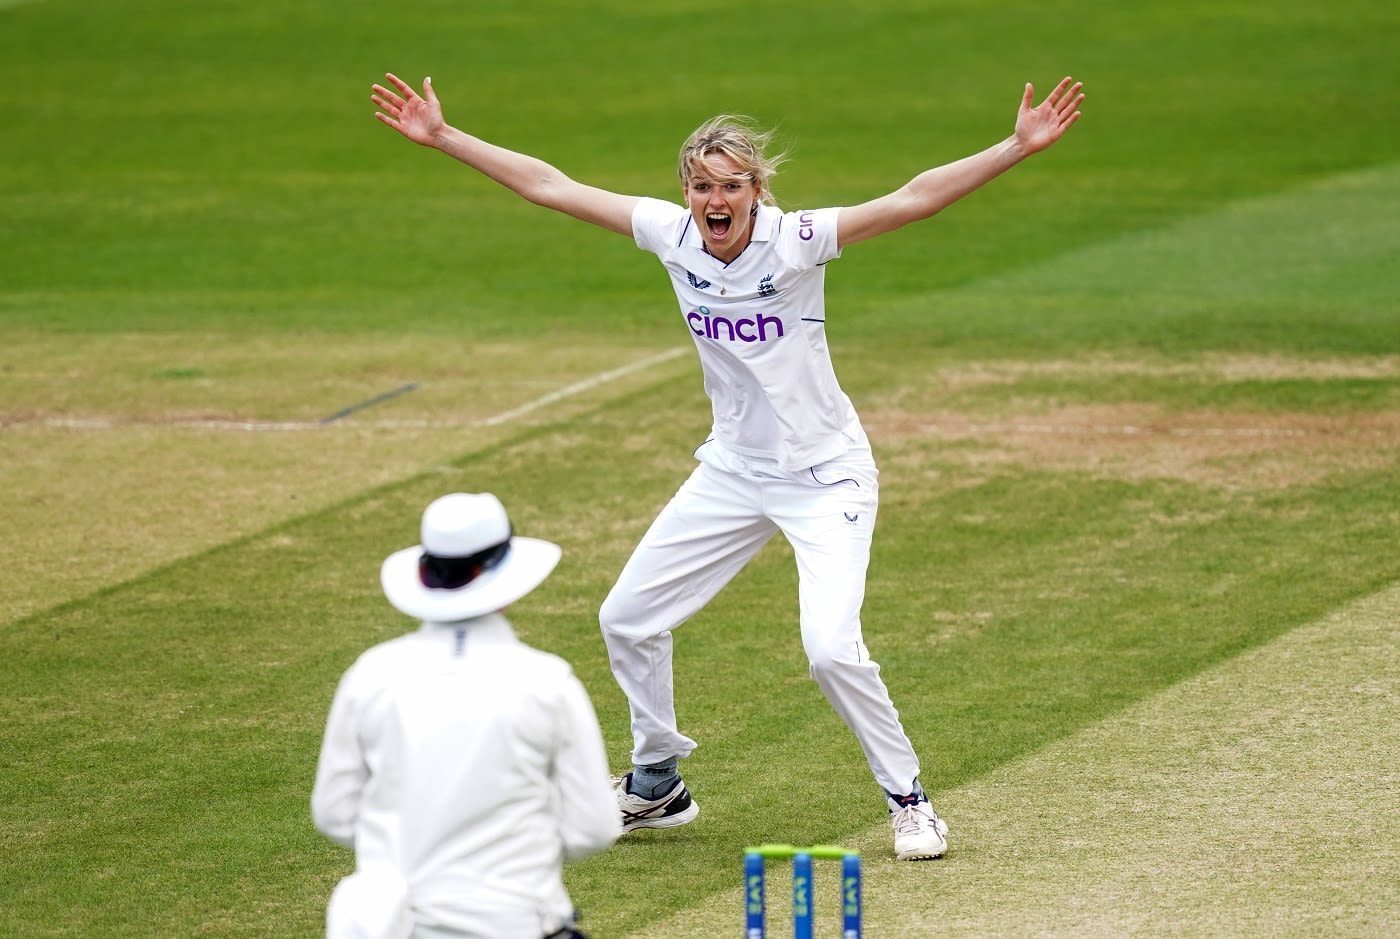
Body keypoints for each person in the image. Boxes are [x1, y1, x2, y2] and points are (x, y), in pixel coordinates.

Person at [369, 73, 1085, 861]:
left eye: (732, 186)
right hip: (734, 470)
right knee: (626, 618)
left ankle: (910, 801)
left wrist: (1015, 147)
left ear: (755, 192)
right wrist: (445, 136)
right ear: (686, 191)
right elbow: (551, 185)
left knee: (829, 650)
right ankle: (657, 783)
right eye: (703, 186)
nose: (717, 201)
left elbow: (913, 199)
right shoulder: (669, 233)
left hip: (826, 475)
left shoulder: (797, 238)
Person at [311, 492, 620, 939]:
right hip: (514, 922)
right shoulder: (547, 683)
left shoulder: (371, 675)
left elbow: (335, 813)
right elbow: (593, 827)